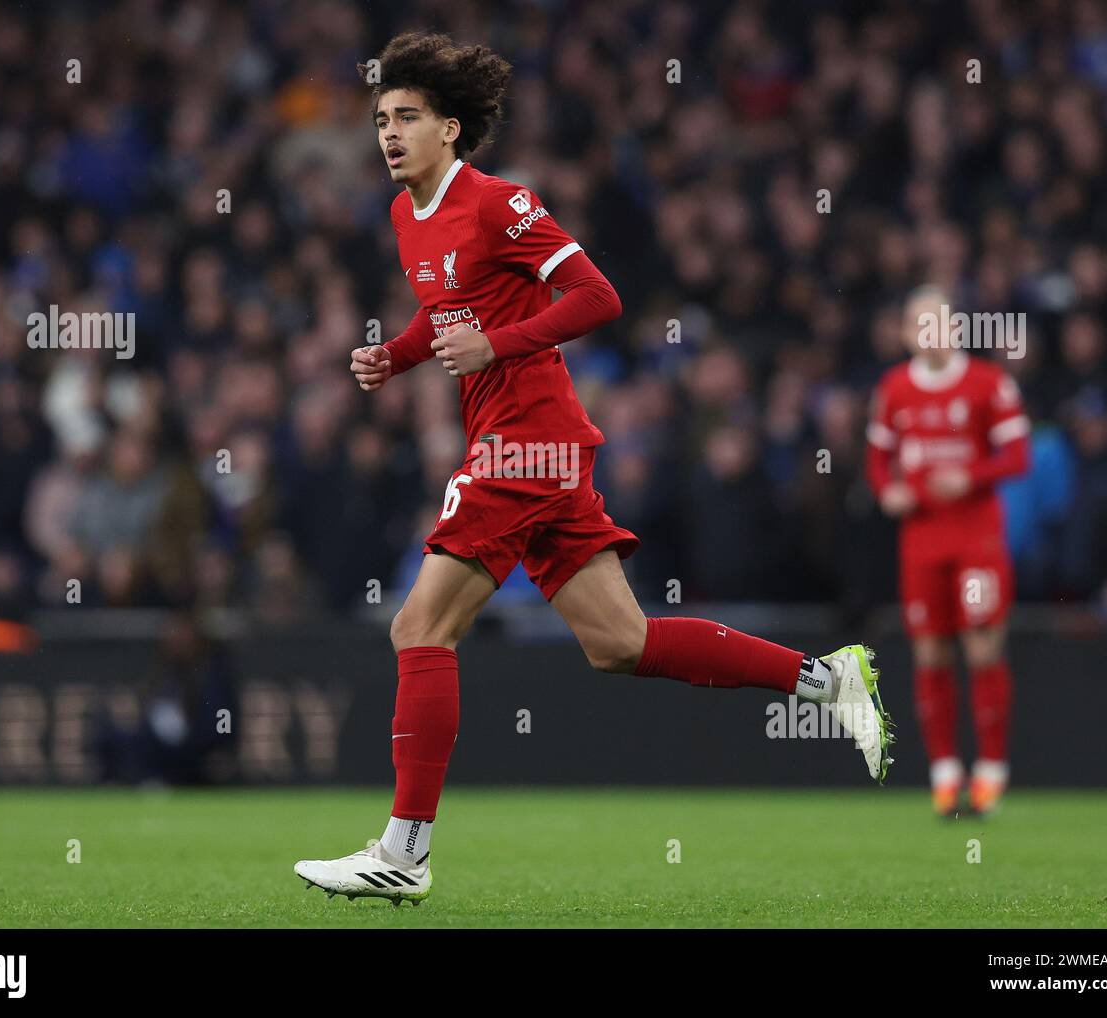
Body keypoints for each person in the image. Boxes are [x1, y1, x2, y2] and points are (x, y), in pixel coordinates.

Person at [295, 32, 893, 906]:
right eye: (382, 118)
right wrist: (398, 354)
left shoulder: (503, 203)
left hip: (523, 443)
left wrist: (496, 343)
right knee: (623, 643)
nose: (389, 133)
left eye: (408, 118)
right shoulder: (403, 217)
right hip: (534, 450)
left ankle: (405, 850)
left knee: (418, 630)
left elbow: (598, 297)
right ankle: (828, 678)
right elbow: (448, 314)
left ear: (452, 129)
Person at [866, 286, 1030, 817]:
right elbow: (877, 461)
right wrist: (886, 491)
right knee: (931, 652)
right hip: (922, 541)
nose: (929, 334)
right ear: (907, 334)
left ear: (956, 330)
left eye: (938, 324)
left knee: (981, 645)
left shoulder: (988, 383)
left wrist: (971, 476)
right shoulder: (892, 389)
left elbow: (1018, 456)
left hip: (976, 539)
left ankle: (991, 771)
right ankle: (944, 772)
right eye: (919, 325)